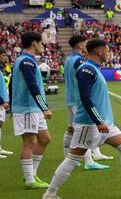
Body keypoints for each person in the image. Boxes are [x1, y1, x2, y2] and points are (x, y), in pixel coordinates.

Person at [41, 38, 121, 199]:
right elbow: (85, 99)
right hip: (89, 123)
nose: (109, 53)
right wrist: (98, 120)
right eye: (107, 50)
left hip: (103, 123)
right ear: (100, 50)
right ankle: (49, 194)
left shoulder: (93, 68)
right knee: (73, 159)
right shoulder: (86, 69)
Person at [10, 32, 53, 188]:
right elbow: (32, 85)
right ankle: (29, 180)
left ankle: (32, 174)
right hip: (28, 107)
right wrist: (44, 107)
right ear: (34, 43)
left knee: (45, 138)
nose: (43, 46)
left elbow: (12, 84)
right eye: (41, 43)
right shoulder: (26, 62)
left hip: (30, 107)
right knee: (30, 142)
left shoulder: (25, 61)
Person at [62, 34, 111, 170]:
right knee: (86, 127)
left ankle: (68, 155)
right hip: (78, 99)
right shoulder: (80, 62)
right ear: (79, 45)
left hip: (70, 97)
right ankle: (89, 160)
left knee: (71, 128)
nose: (86, 45)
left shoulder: (68, 60)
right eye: (84, 43)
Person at [0, 55, 12, 159]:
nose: (5, 57)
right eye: (3, 55)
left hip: (3, 101)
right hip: (0, 102)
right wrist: (2, 101)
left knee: (0, 125)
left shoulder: (2, 68)